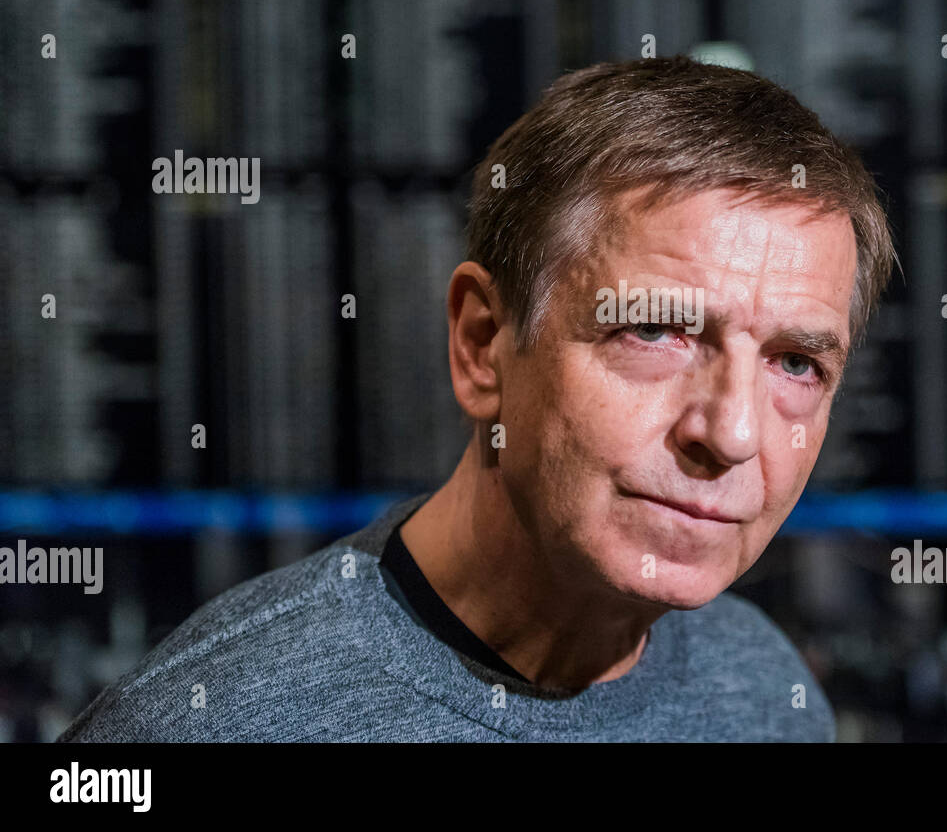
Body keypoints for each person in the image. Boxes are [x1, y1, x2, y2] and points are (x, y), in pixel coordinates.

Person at [59, 54, 897, 741]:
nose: (734, 433)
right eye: (656, 332)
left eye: (796, 364)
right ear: (483, 345)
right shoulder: (207, 724)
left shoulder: (766, 698)